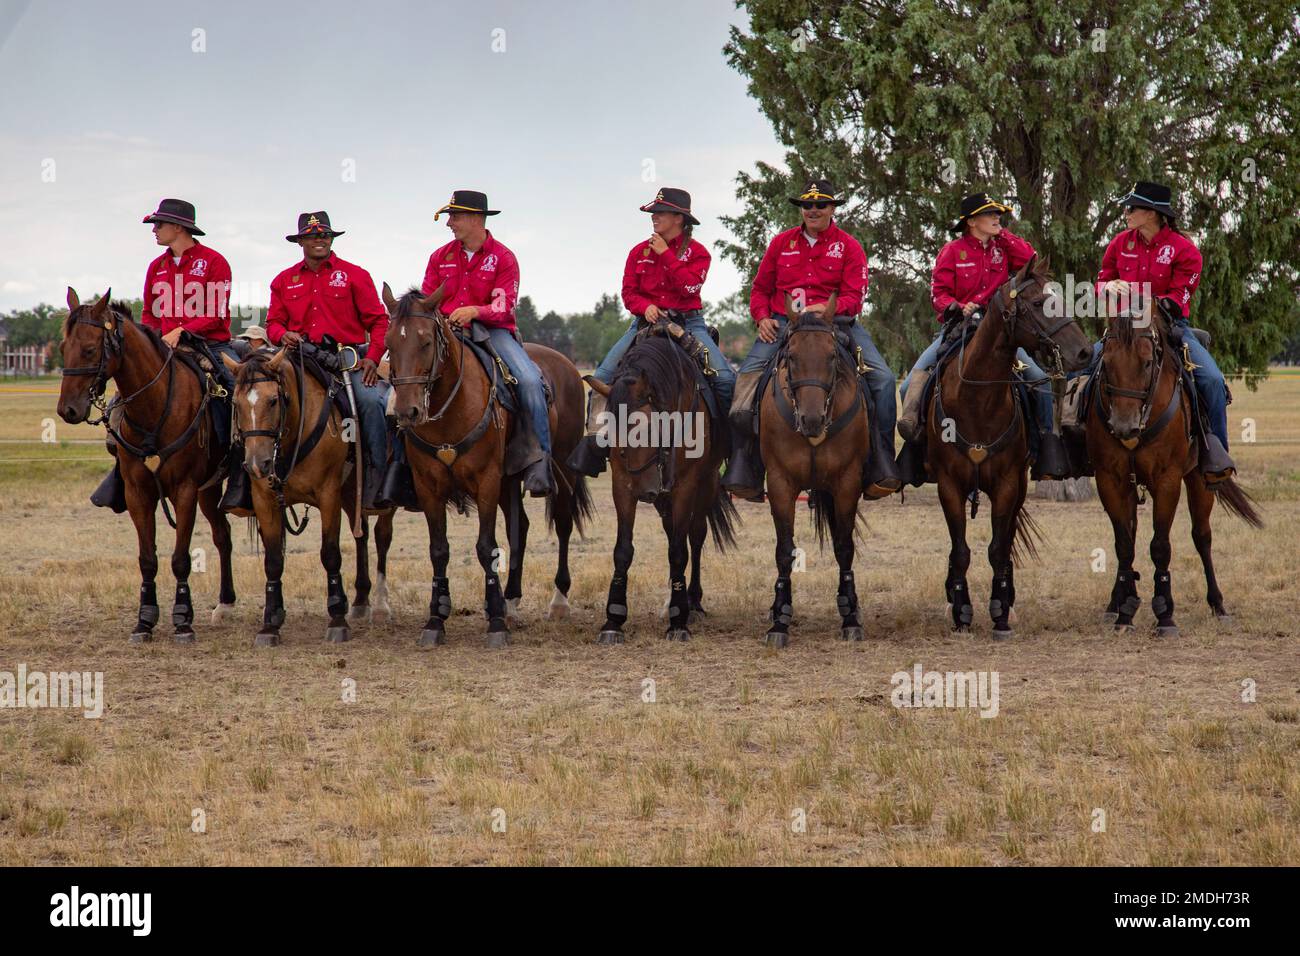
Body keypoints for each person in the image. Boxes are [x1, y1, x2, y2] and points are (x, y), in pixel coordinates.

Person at [722, 179, 901, 500]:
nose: (813, 210)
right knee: (745, 383)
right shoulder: (780, 244)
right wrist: (761, 317)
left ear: (832, 209)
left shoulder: (849, 246)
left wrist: (826, 308)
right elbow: (761, 289)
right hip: (782, 324)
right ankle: (744, 465)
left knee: (885, 380)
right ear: (801, 209)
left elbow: (855, 295)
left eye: (820, 205)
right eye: (807, 205)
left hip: (837, 325)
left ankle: (881, 461)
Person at [223, 211, 392, 512]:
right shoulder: (284, 280)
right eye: (313, 236)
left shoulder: (355, 275)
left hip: (344, 361)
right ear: (301, 241)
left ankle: (375, 480)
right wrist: (282, 333)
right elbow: (273, 322)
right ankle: (244, 483)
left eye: (325, 235)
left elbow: (379, 321)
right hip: (298, 359)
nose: (320, 240)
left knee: (369, 402)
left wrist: (372, 358)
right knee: (252, 402)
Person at [896, 192, 1070, 479]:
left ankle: (1044, 450)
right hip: (958, 331)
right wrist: (956, 307)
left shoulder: (1004, 248)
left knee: (1038, 379)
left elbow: (1031, 259)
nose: (996, 218)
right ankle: (917, 456)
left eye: (997, 214)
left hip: (1001, 333)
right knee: (908, 388)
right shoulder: (952, 251)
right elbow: (938, 293)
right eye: (989, 214)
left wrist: (1003, 235)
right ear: (971, 221)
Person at [568, 187, 734, 477]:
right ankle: (595, 445)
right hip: (643, 325)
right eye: (653, 213)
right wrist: (644, 307)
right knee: (603, 377)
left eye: (661, 212)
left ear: (679, 218)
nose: (654, 217)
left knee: (726, 379)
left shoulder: (698, 253)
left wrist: (667, 255)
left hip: (689, 323)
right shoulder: (637, 252)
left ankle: (735, 450)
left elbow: (690, 288)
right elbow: (628, 293)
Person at [90, 198, 236, 512]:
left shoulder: (214, 262)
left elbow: (216, 312)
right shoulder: (156, 267)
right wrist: (151, 341)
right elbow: (151, 317)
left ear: (178, 227)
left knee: (235, 395)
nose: (154, 230)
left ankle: (237, 469)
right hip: (163, 348)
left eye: (158, 224)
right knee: (123, 401)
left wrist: (182, 331)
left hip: (209, 345)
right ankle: (122, 471)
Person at [1087, 181, 1234, 481]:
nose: (1126, 213)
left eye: (1133, 208)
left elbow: (1179, 298)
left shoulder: (1185, 250)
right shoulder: (1119, 243)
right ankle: (1076, 444)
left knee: (1213, 381)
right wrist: (1107, 286)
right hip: (1122, 330)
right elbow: (1100, 282)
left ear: (1152, 213)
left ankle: (1216, 453)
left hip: (1169, 328)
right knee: (1084, 369)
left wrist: (1149, 305)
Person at [420, 189, 553, 495]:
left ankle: (539, 460)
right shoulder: (440, 257)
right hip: (445, 334)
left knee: (531, 381)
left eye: (455, 216)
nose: (449, 223)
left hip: (493, 332)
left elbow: (504, 307)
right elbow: (427, 301)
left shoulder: (503, 258)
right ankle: (401, 466)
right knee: (403, 384)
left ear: (475, 218)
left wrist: (473, 311)